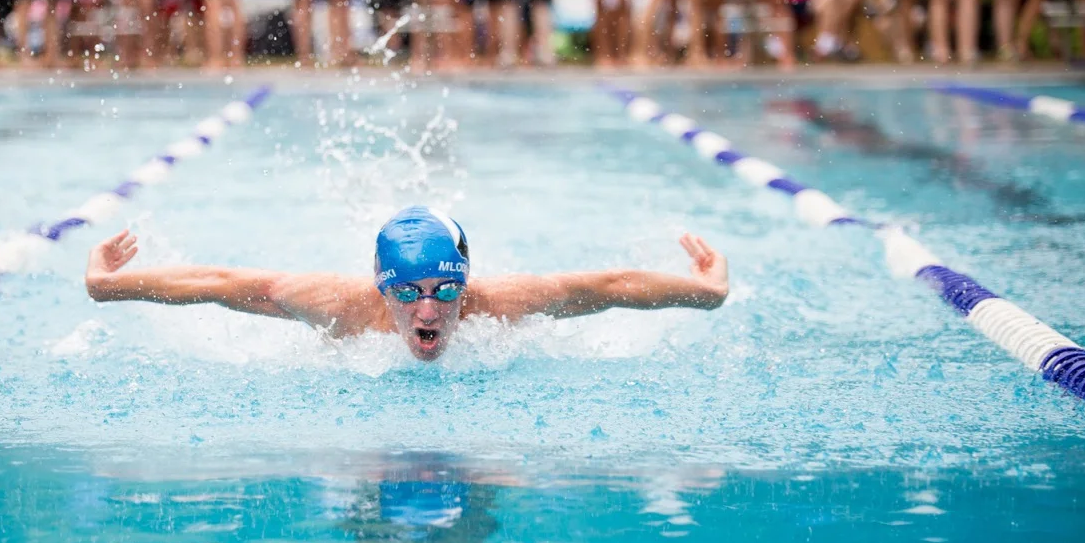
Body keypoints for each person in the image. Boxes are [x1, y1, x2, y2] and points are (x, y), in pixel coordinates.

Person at [83, 206, 730, 363]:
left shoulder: (495, 306)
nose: (429, 310)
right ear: (381, 288)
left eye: (445, 291)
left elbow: (611, 284)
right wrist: (109, 285)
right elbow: (219, 281)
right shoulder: (340, 305)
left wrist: (707, 292)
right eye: (409, 292)